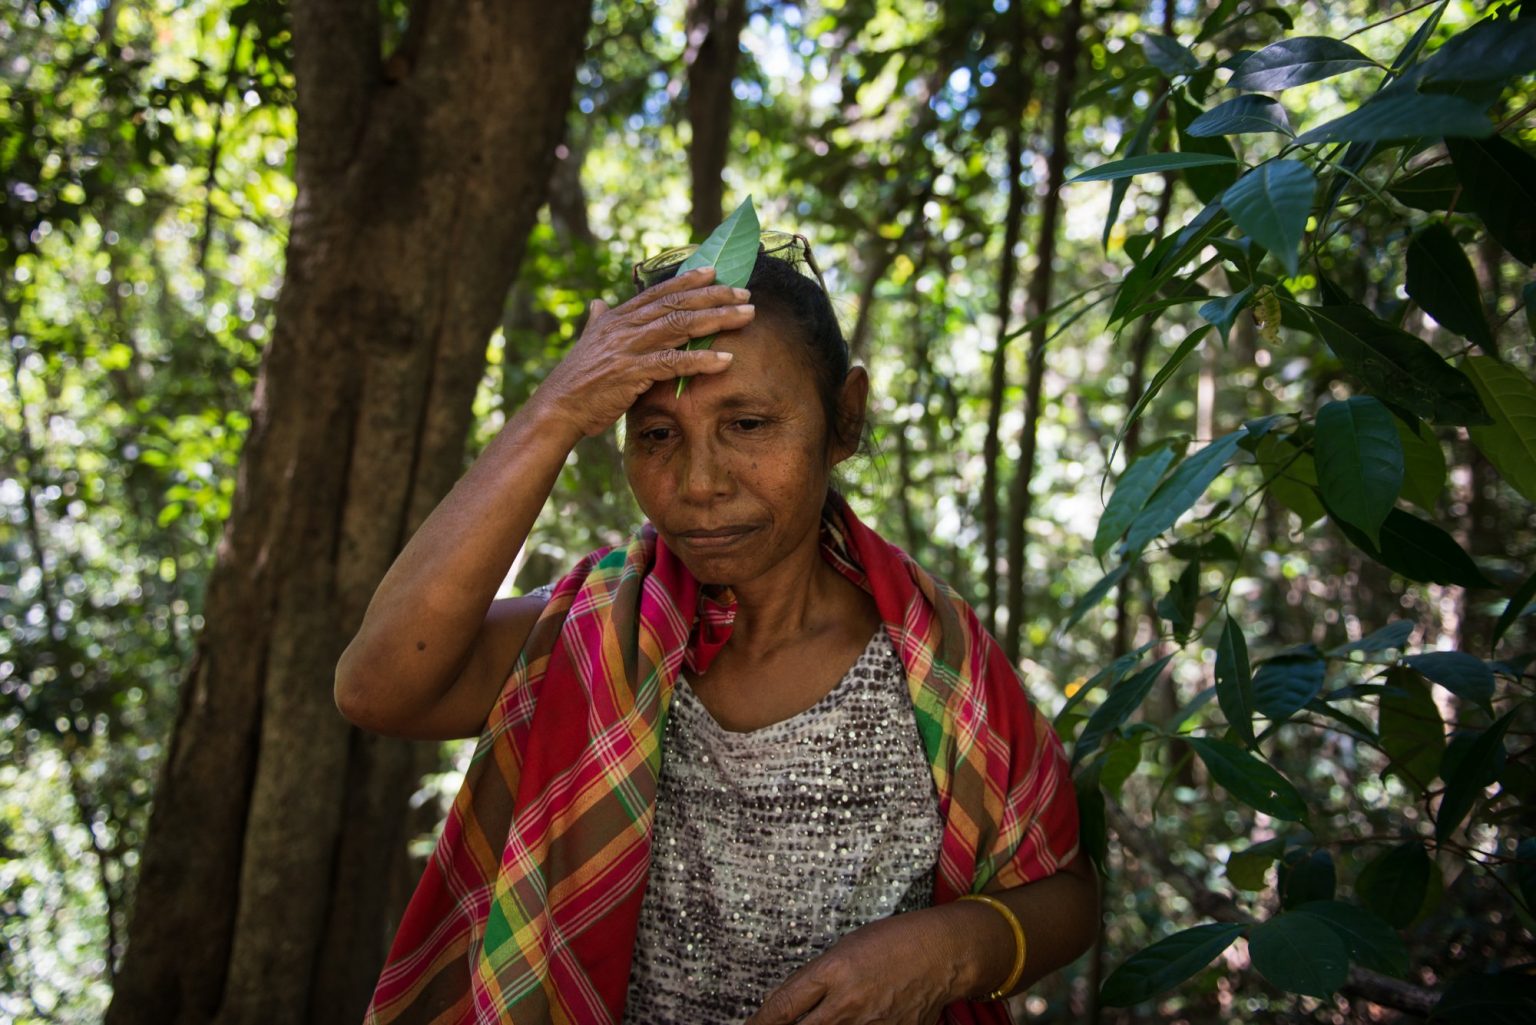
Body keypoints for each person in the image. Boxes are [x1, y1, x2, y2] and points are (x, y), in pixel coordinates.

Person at [337, 232, 1098, 1025]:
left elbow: (1068, 896)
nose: (698, 484)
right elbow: (376, 685)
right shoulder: (594, 634)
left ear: (845, 419)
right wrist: (555, 411)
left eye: (748, 424)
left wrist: (949, 949)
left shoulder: (937, 661)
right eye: (658, 434)